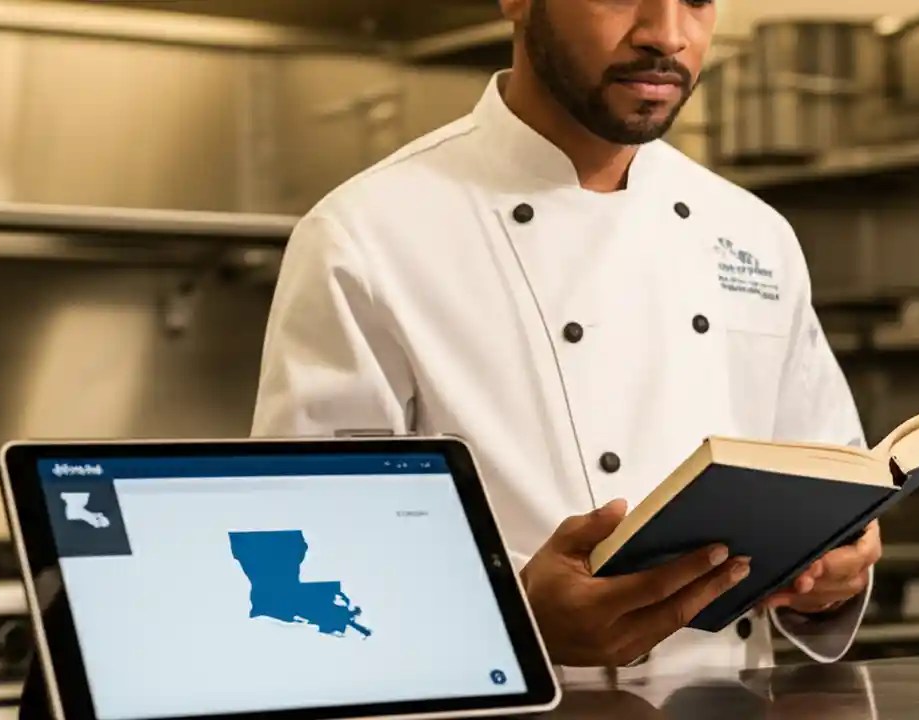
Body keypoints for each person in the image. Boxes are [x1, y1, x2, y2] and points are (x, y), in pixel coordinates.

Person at [252, 0, 882, 677]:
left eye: (697, 1)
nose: (666, 35)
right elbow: (302, 558)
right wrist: (510, 623)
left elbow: (828, 478)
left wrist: (831, 578)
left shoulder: (754, 233)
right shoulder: (367, 236)